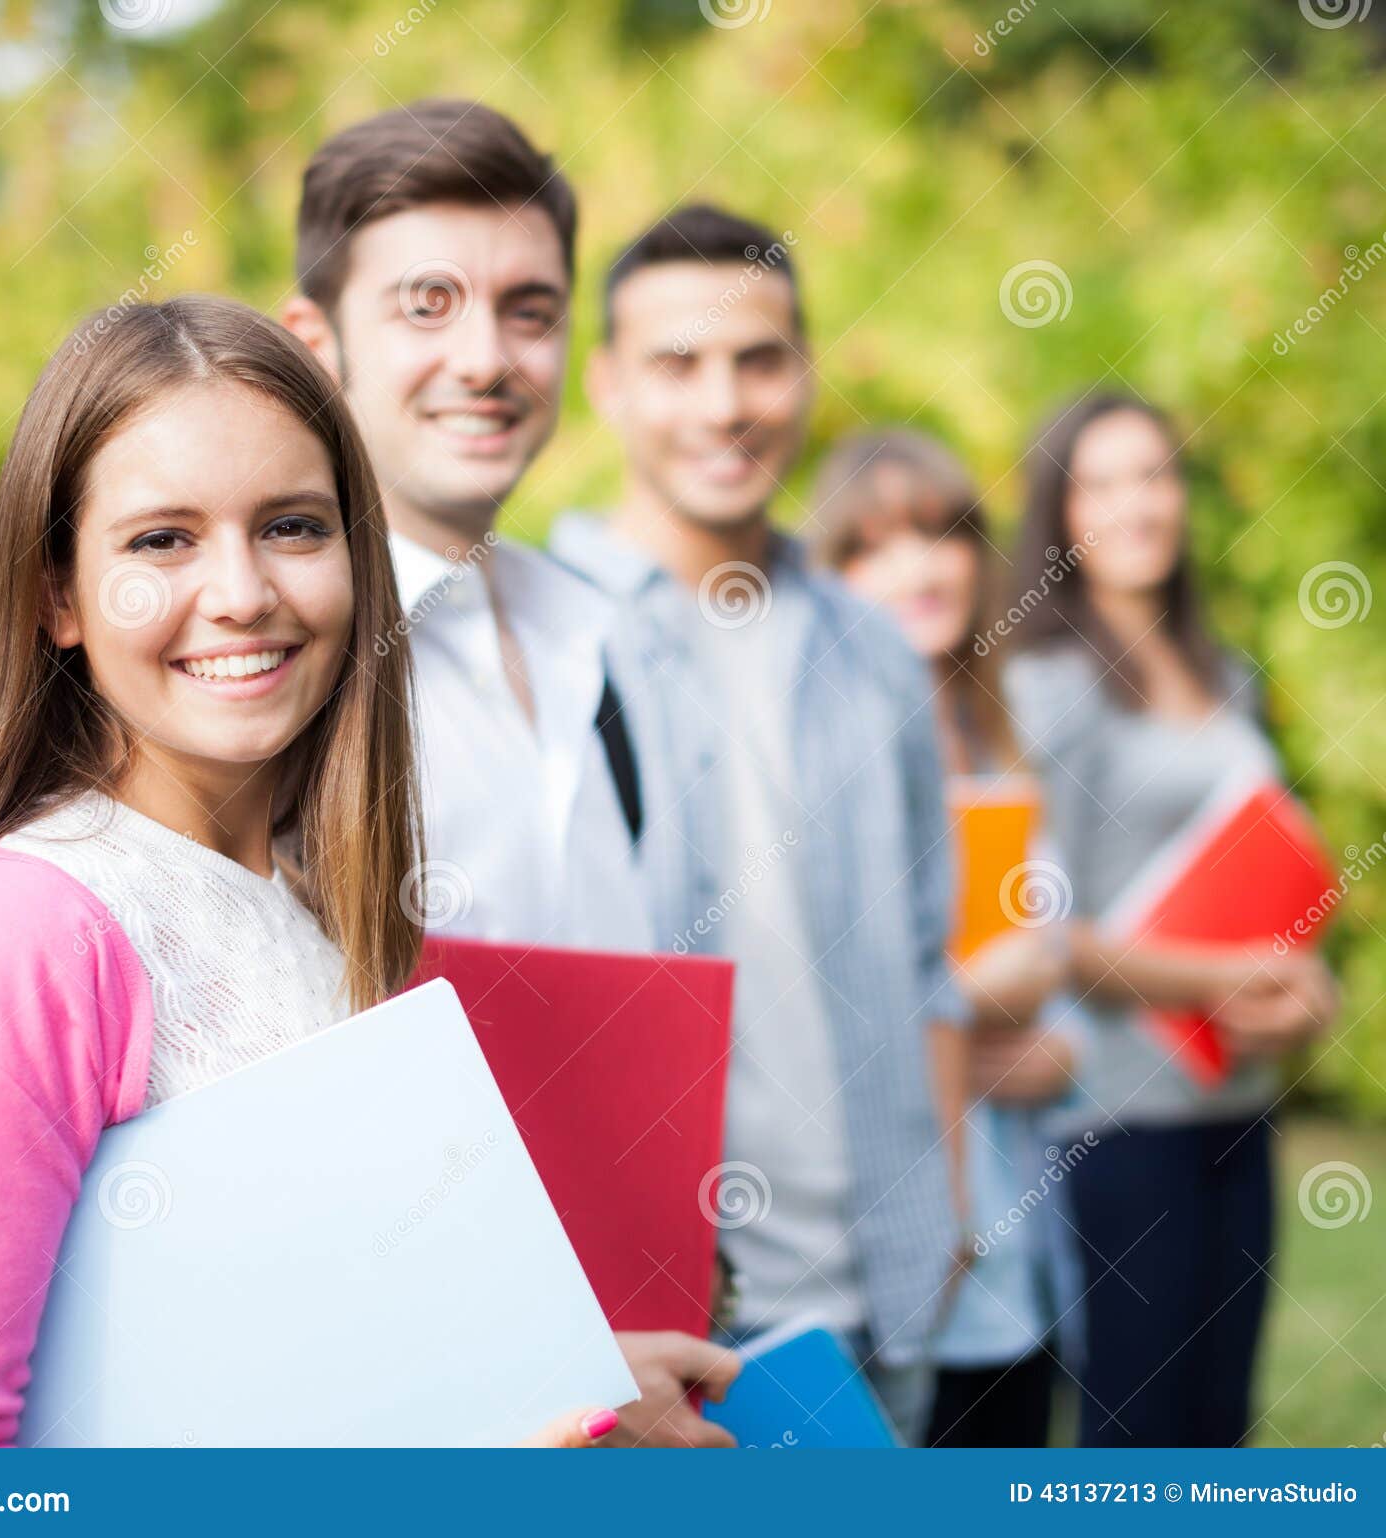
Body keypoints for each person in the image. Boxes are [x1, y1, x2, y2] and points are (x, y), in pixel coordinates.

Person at [0, 295, 617, 1450]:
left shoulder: (318, 910)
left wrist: (572, 1383)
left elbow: (323, 1384)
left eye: (292, 525)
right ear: (57, 596)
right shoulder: (25, 938)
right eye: (161, 539)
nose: (241, 591)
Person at [283, 102, 738, 1446]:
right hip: (411, 1410)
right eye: (427, 304)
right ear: (317, 345)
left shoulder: (603, 640)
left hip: (641, 1377)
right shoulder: (270, 678)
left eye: (528, 309)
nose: (485, 357)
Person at [552, 205, 968, 1444]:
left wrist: (942, 1215)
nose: (724, 402)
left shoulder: (873, 647)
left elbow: (928, 962)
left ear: (805, 373)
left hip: (884, 1294)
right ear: (609, 386)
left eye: (759, 358)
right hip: (656, 1321)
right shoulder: (539, 638)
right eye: (678, 364)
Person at [1002, 389, 1339, 1447]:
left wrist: (1299, 993)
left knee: (1219, 1429)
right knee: (1138, 1434)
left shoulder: (1222, 670)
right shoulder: (1045, 682)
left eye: (1152, 474)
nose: (1134, 504)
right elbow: (1042, 932)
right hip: (1117, 1119)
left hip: (1234, 1109)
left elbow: (1258, 876)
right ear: (1059, 513)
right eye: (1100, 482)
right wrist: (1226, 974)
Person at [817, 427, 1087, 1448]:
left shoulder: (1000, 737)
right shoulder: (822, 759)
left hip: (1020, 1236)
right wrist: (970, 997)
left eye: (941, 534)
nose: (919, 567)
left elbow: (1061, 1015)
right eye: (875, 545)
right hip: (891, 1242)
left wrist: (1056, 1043)